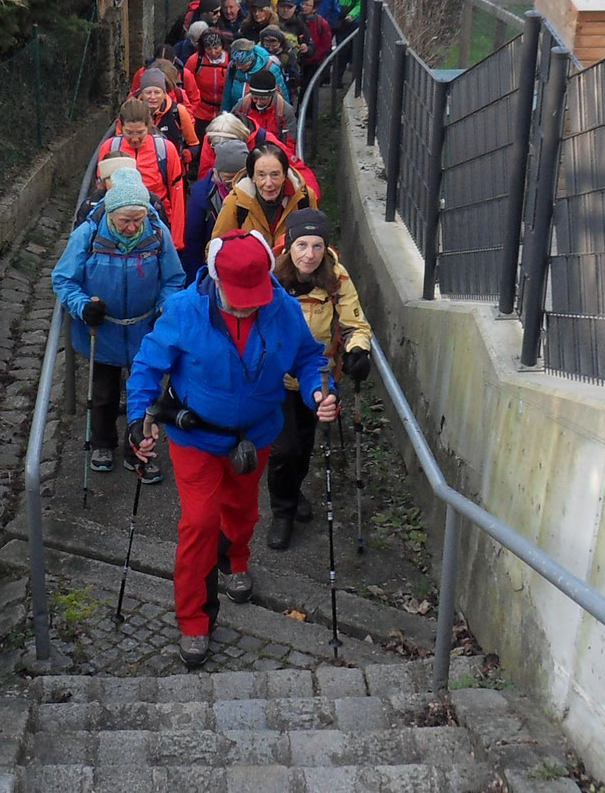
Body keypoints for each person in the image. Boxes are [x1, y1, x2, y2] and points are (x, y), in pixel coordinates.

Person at [126, 231, 337, 665]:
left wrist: (318, 392)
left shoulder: (282, 309)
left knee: (242, 513)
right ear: (217, 280)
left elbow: (308, 358)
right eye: (237, 295)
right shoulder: (185, 309)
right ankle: (194, 620)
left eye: (252, 295)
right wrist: (137, 417)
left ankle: (235, 558)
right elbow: (149, 362)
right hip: (196, 437)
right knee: (200, 522)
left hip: (255, 435)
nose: (245, 305)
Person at [53, 168, 187, 480]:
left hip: (146, 330)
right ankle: (102, 443)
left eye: (137, 220)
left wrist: (164, 309)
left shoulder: (156, 233)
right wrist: (82, 306)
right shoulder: (87, 234)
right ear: (111, 213)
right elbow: (63, 279)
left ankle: (138, 450)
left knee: (148, 393)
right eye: (125, 221)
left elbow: (174, 279)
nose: (131, 227)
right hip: (102, 331)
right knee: (103, 392)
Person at [264, 209, 373, 549]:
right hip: (275, 377)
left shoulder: (336, 277)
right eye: (301, 245)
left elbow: (356, 325)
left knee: (305, 444)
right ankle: (282, 511)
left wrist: (358, 351)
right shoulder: (270, 276)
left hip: (319, 378)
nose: (308, 255)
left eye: (316, 246)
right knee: (284, 448)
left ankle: (293, 492)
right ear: (289, 247)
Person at [99, 99, 187, 242]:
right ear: (120, 126)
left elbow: (177, 195)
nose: (134, 139)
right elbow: (101, 192)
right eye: (129, 132)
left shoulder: (166, 150)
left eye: (140, 132)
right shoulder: (109, 147)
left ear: (149, 125)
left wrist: (176, 240)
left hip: (157, 222)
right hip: (118, 224)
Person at [213, 139, 315, 248]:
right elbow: (217, 248)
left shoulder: (304, 198)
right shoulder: (235, 203)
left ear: (285, 175)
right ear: (252, 177)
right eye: (261, 175)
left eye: (275, 174)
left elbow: (316, 239)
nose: (268, 183)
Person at [181, 136, 248, 273]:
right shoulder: (201, 197)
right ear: (216, 173)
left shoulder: (255, 192)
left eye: (239, 177)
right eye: (228, 178)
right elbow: (192, 243)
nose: (234, 183)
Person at [137, 68, 200, 160]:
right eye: (148, 93)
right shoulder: (132, 112)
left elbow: (194, 144)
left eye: (157, 92)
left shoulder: (178, 111)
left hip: (172, 167)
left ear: (164, 94)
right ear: (142, 94)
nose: (152, 97)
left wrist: (187, 155)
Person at [181, 29, 231, 130]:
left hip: (225, 111)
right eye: (208, 49)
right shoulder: (195, 61)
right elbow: (186, 85)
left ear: (222, 46)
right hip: (201, 112)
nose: (213, 52)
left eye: (216, 48)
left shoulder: (231, 60)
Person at [232, 66, 294, 143]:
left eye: (263, 99)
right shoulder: (243, 105)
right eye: (255, 98)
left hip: (273, 152)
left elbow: (291, 142)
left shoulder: (285, 111)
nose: (258, 102)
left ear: (271, 95)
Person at [297, 0, 335, 94]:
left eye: (307, 5)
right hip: (299, 61)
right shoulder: (297, 19)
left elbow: (326, 45)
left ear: (314, 8)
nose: (304, 7)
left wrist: (315, 56)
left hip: (313, 62)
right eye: (303, 4)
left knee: (310, 90)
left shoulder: (321, 24)